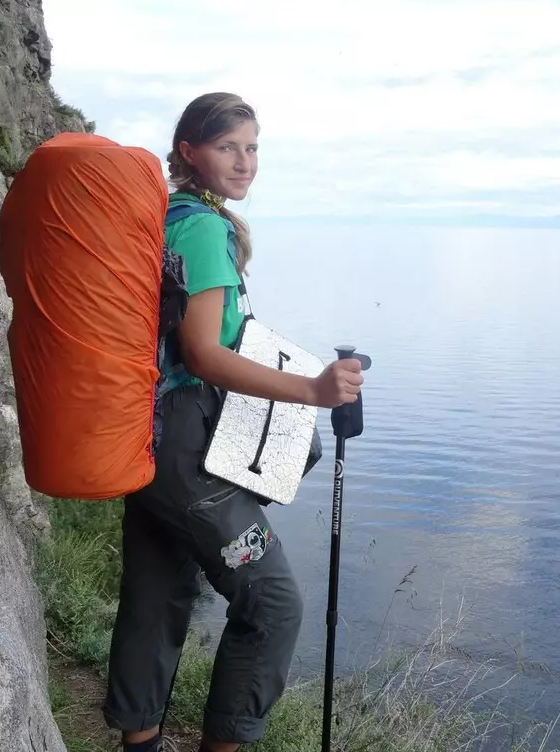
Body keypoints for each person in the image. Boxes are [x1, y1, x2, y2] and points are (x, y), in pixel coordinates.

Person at [103, 92, 365, 752]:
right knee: (273, 605)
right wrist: (311, 388)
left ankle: (140, 743)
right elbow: (204, 353)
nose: (245, 161)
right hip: (186, 441)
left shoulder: (166, 216)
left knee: (157, 592)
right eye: (228, 147)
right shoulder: (202, 229)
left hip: (142, 432)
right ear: (189, 151)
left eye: (252, 148)